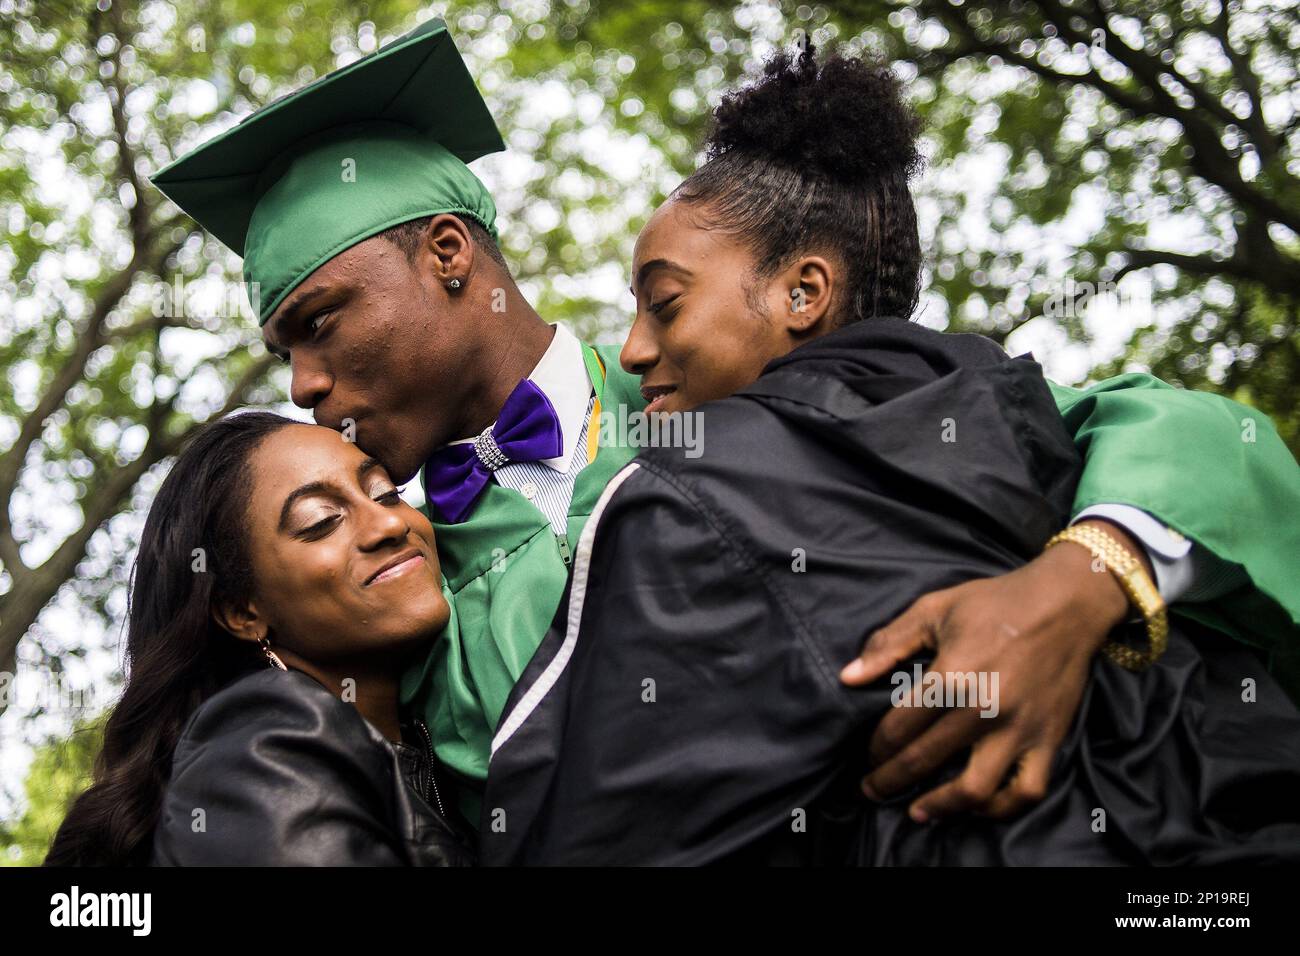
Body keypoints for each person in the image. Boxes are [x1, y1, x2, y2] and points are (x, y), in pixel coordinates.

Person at [148, 19, 1300, 829]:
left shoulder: (735, 378)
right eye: (282, 351)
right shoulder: (399, 602)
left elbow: (1168, 430)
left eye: (319, 319)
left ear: (449, 258)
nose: (299, 382)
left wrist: (1078, 584)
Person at [479, 45, 1300, 865]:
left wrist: (1081, 579)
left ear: (804, 293)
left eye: (664, 304)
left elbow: (1202, 438)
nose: (629, 351)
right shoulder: (997, 410)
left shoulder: (695, 489)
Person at [45, 413, 474, 866]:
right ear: (242, 611)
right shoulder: (266, 746)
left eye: (385, 493)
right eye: (321, 521)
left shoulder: (444, 745)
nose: (387, 524)